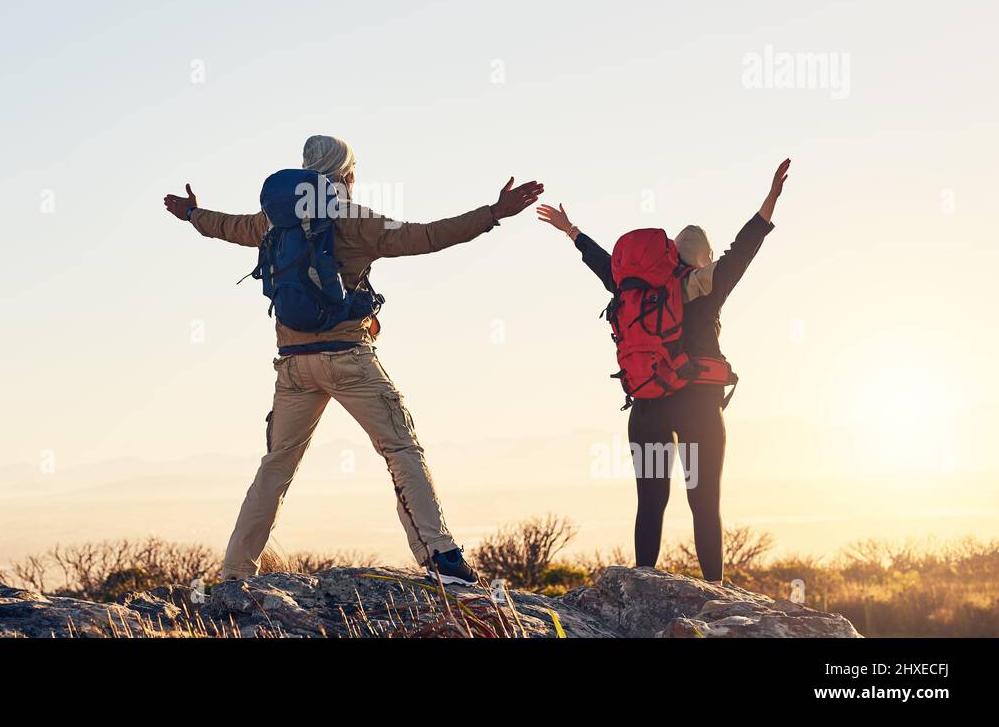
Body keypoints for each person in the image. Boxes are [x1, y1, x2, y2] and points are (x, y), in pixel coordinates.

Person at [164, 135, 543, 585]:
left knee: (277, 465)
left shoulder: (275, 220)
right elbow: (426, 237)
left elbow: (227, 227)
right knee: (400, 448)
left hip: (293, 364)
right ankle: (441, 558)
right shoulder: (356, 220)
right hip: (348, 358)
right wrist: (493, 214)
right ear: (347, 177)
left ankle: (236, 572)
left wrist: (191, 214)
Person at [536, 159, 790, 582]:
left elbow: (604, 263)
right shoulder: (710, 286)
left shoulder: (637, 288)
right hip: (698, 409)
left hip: (648, 406)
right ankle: (714, 591)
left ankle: (642, 588)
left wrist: (571, 230)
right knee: (704, 502)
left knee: (650, 503)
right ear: (705, 257)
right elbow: (743, 249)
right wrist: (770, 203)